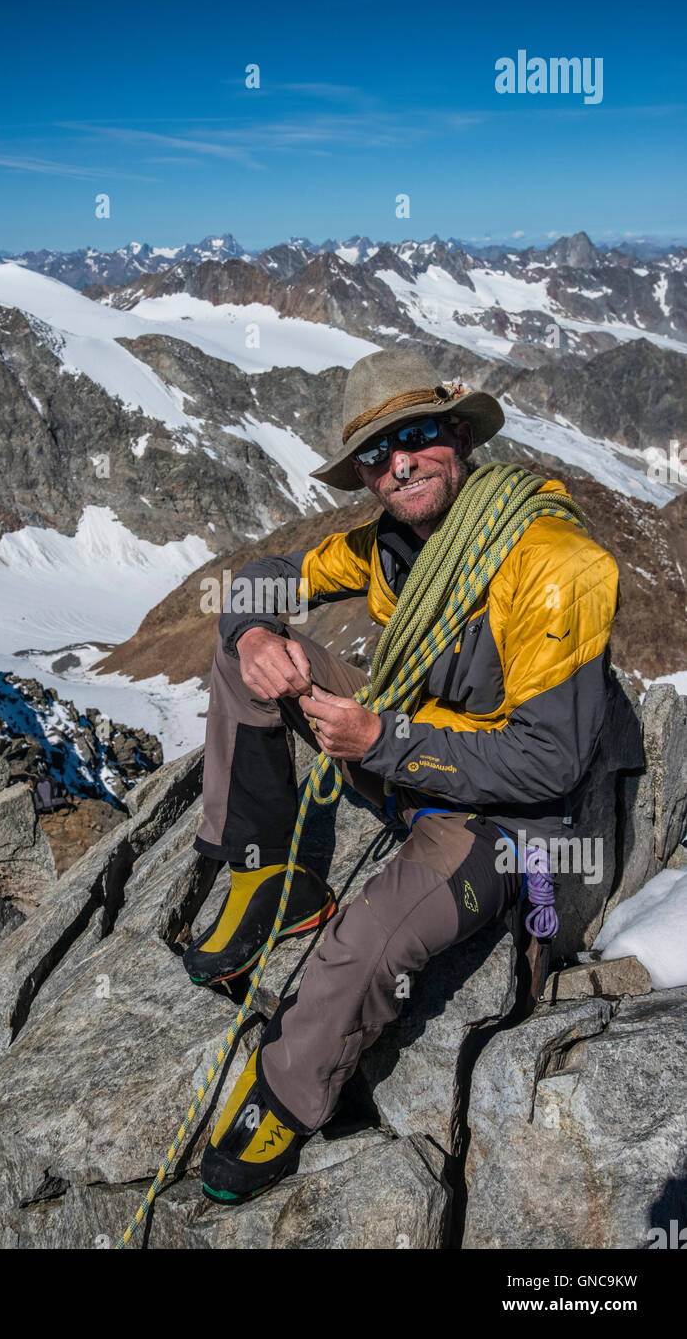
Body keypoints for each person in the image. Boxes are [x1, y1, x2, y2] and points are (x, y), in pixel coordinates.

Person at [184, 349, 619, 1205]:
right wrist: (248, 634)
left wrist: (380, 739)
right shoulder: (390, 546)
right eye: (376, 456)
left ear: (457, 436)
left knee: (365, 944)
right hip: (401, 757)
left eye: (414, 438)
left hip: (503, 821)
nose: (398, 464)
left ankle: (284, 1096)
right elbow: (273, 580)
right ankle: (269, 877)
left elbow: (550, 763)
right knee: (249, 663)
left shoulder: (554, 565)